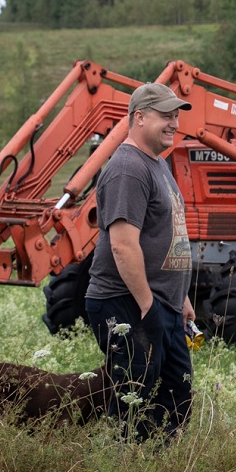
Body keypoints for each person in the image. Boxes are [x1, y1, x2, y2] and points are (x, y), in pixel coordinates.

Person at [85, 82, 196, 441]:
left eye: (176, 115)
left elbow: (164, 237)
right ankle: (124, 462)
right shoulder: (128, 167)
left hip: (159, 302)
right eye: (166, 115)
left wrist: (180, 299)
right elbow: (122, 246)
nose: (174, 123)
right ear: (139, 117)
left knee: (177, 391)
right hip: (126, 300)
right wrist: (149, 306)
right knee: (136, 395)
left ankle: (154, 465)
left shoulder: (156, 164)